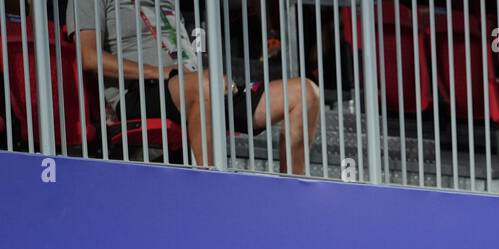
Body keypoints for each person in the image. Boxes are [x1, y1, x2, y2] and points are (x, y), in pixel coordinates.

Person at [69, 0, 320, 173]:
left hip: (194, 86)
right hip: (137, 94)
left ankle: (292, 193)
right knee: (204, 84)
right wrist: (160, 72)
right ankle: (211, 186)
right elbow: (88, 57)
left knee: (305, 93)